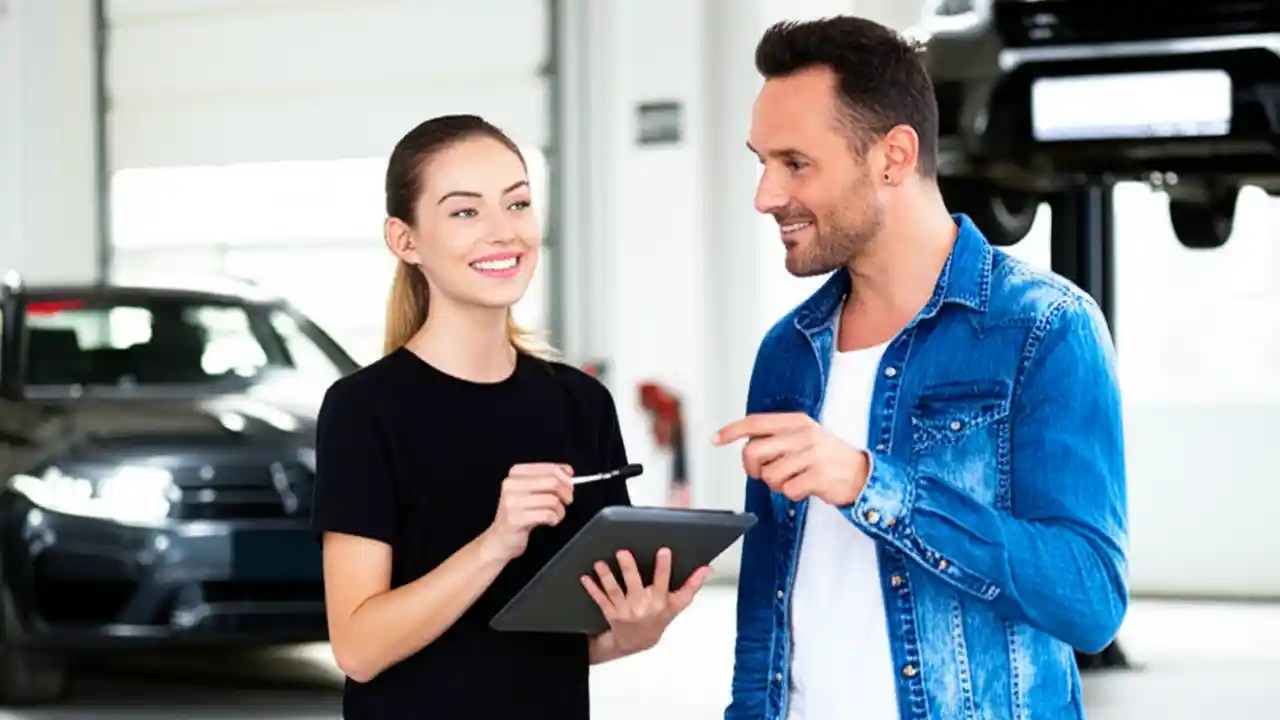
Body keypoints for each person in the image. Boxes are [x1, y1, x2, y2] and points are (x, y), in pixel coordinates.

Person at [713, 17, 1128, 720]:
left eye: (795, 163)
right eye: (761, 161)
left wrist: (871, 485)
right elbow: (766, 620)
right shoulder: (789, 351)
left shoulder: (1044, 329)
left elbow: (1089, 600)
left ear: (893, 156)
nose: (764, 195)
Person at [311, 114, 710, 719]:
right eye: (465, 212)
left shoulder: (581, 404)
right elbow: (359, 648)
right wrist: (496, 543)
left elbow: (568, 641)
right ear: (405, 239)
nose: (504, 233)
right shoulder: (363, 410)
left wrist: (637, 629)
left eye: (517, 204)